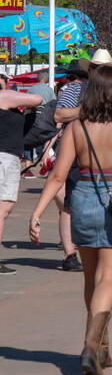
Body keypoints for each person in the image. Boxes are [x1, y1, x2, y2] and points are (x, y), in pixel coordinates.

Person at [29, 63, 112, 375]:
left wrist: (36, 213)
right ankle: (91, 344)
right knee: (108, 281)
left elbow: (59, 176)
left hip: (84, 199)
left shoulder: (77, 128)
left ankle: (101, 345)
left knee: (91, 280)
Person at [50, 56, 93, 272]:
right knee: (68, 203)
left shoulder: (100, 91)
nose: (70, 81)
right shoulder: (74, 91)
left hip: (89, 149)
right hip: (77, 148)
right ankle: (70, 253)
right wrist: (90, 111)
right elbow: (59, 114)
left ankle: (74, 252)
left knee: (73, 203)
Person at [0, 75, 45, 274]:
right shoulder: (3, 97)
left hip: (7, 157)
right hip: (4, 157)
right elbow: (38, 99)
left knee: (4, 208)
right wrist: (23, 102)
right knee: (3, 208)